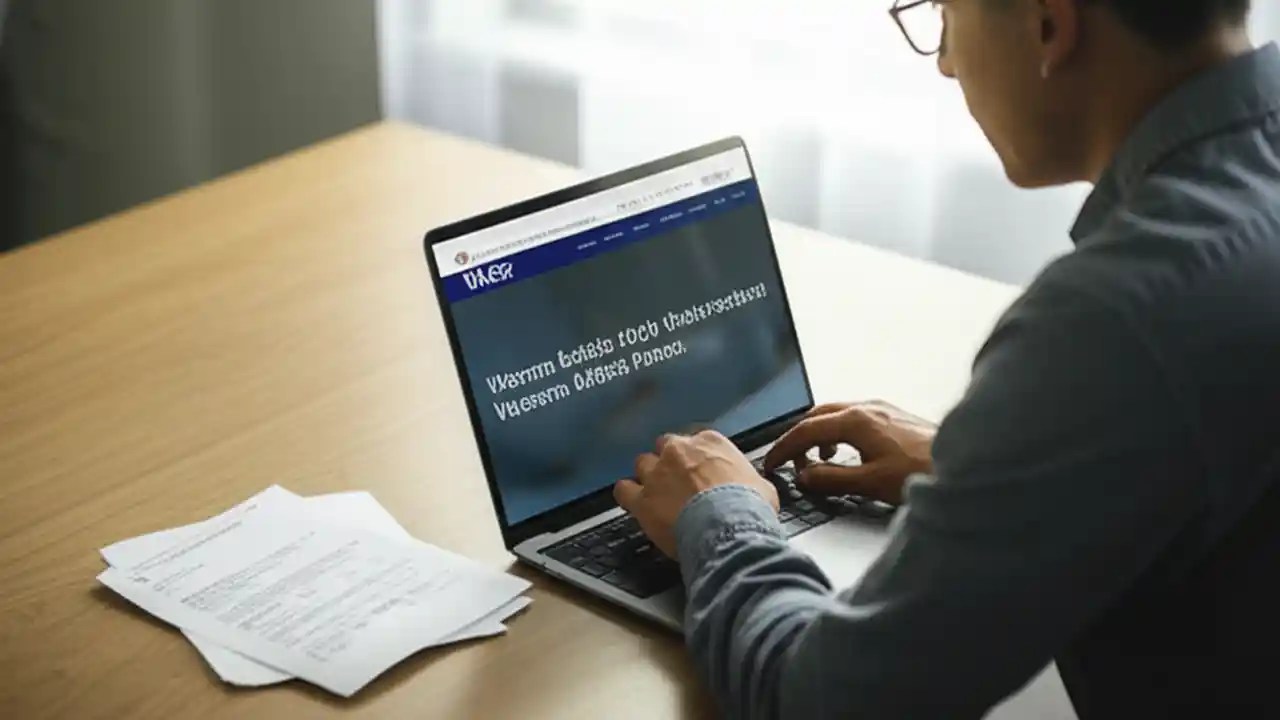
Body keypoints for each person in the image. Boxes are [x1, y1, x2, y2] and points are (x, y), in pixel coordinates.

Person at [613, 0, 1280, 717]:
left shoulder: (1117, 318)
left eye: (946, 14)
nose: (948, 62)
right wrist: (988, 469)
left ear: (1048, 24)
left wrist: (722, 515)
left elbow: (826, 702)